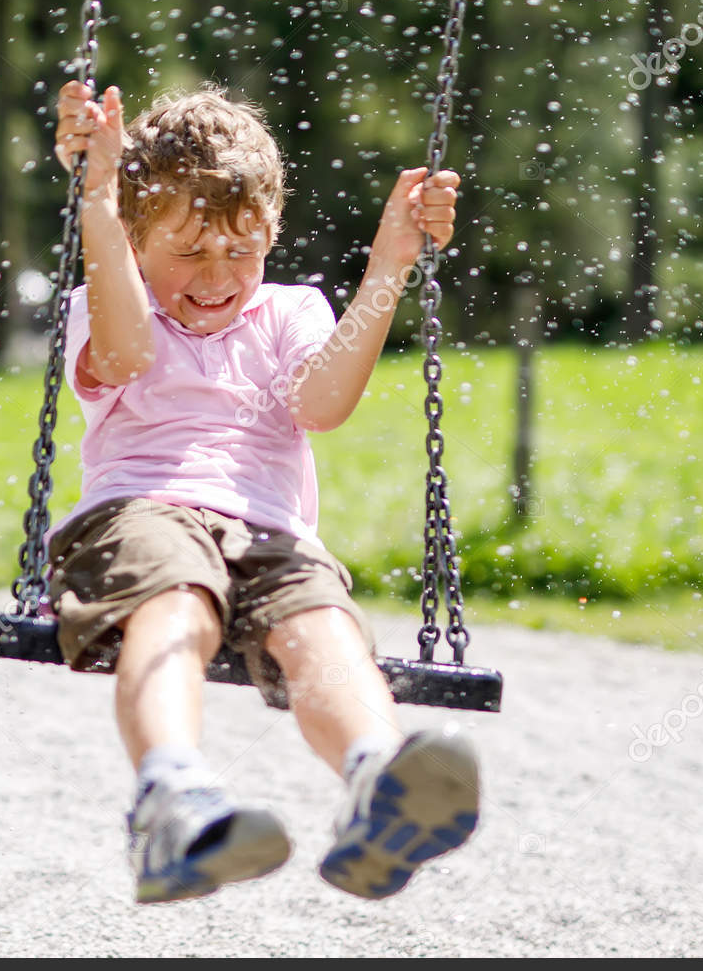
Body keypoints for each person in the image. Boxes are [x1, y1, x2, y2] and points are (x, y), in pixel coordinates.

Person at [46, 78, 480, 904]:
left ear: (272, 232)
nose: (218, 274)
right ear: (135, 239)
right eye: (189, 251)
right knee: (177, 600)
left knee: (319, 622)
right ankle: (172, 796)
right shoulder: (102, 301)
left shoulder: (290, 312)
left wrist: (390, 261)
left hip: (270, 531)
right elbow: (128, 356)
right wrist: (98, 200)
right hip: (140, 512)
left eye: (241, 249)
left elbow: (322, 406)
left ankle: (378, 784)